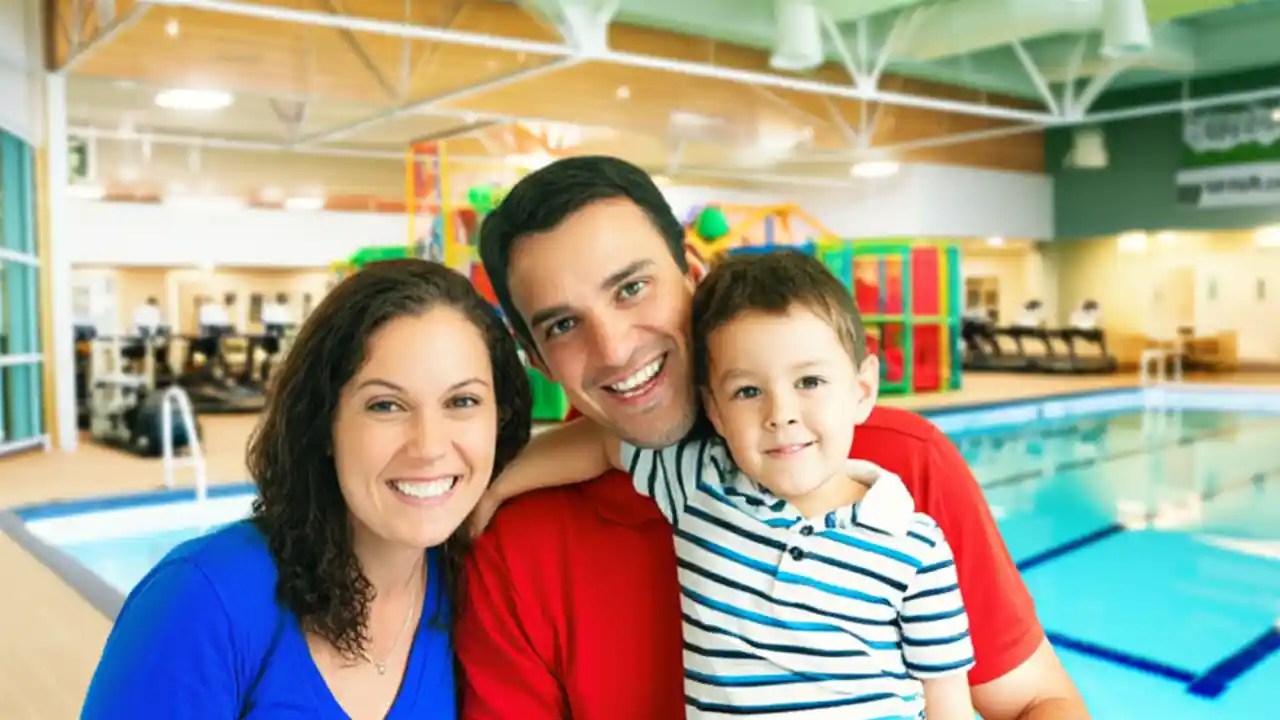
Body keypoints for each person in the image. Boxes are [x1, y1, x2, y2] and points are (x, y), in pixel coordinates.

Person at [457, 155, 1088, 719]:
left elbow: (1037, 700)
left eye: (632, 287)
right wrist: (497, 484)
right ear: (537, 360)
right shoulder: (516, 544)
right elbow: (600, 450)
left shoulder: (902, 467)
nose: (616, 347)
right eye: (564, 324)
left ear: (695, 276)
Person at [473, 250, 975, 718]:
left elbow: (947, 703)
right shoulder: (699, 486)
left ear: (862, 390)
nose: (781, 415)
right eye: (748, 391)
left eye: (809, 382)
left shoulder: (916, 547)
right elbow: (601, 444)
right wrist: (494, 487)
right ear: (714, 409)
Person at [81, 259, 532, 718]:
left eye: (462, 401)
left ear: (501, 417)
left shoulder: (473, 589)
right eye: (386, 405)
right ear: (322, 425)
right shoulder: (204, 600)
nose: (430, 446)